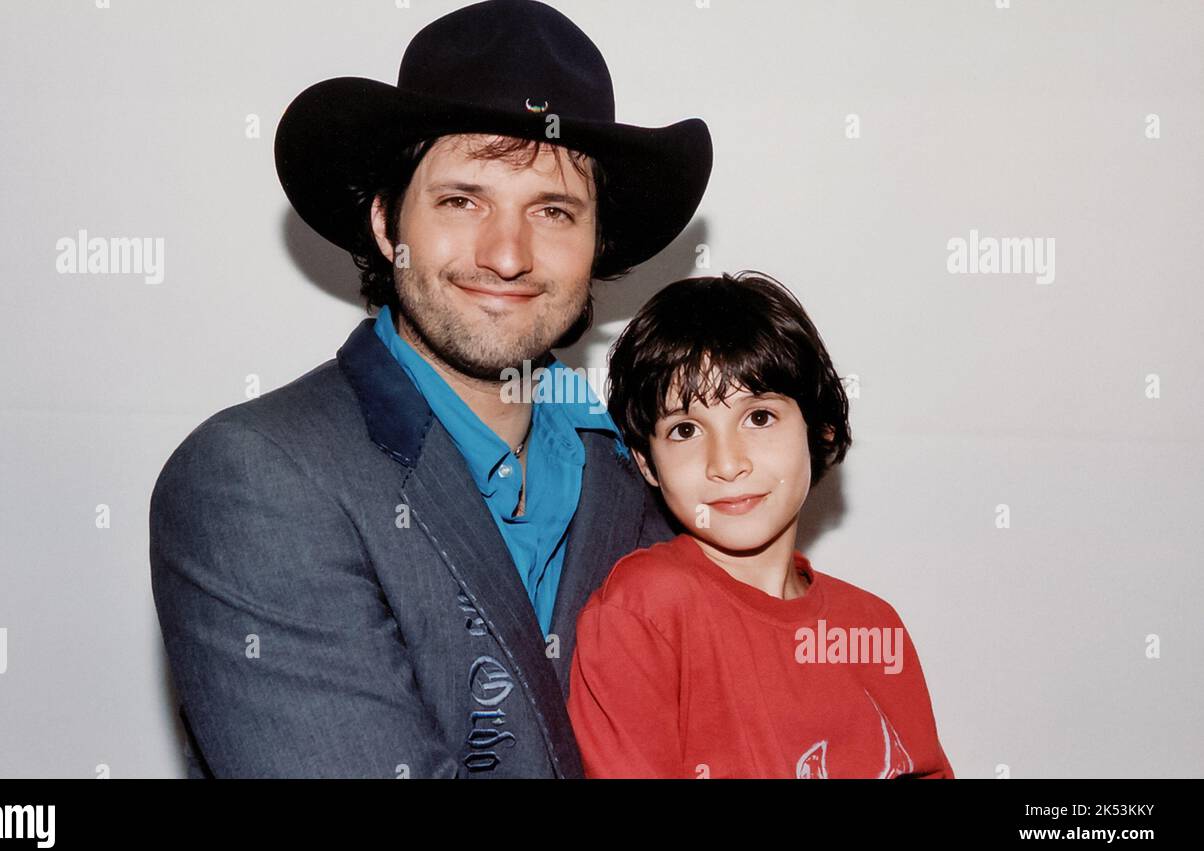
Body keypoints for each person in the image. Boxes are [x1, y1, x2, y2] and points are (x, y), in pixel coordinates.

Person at [148, 0, 711, 777]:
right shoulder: (256, 477)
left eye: (552, 210)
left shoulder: (658, 471)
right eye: (462, 200)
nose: (507, 255)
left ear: (595, 245)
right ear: (387, 225)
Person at [566, 271, 955, 778]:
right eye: (685, 430)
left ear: (819, 429)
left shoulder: (872, 624)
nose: (726, 463)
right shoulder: (645, 612)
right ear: (646, 462)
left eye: (759, 418)